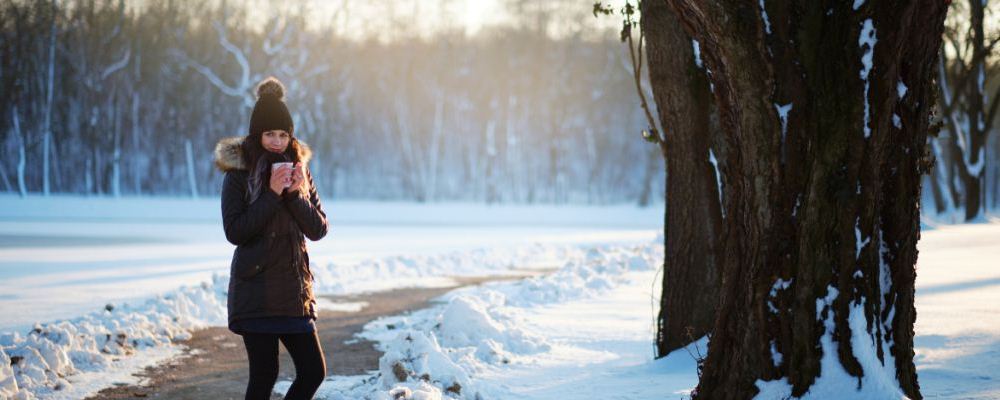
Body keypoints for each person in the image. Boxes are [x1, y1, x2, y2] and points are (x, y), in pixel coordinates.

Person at [214, 76, 329, 400]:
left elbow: (318, 229)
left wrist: (295, 196)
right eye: (269, 134)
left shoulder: (300, 170)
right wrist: (272, 194)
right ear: (257, 134)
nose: (277, 141)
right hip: (257, 292)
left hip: (294, 292)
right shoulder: (239, 173)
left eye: (283, 134)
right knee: (265, 376)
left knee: (313, 372)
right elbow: (235, 232)